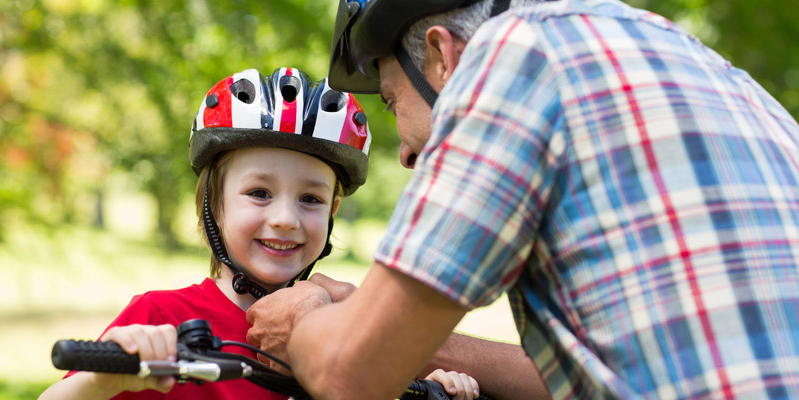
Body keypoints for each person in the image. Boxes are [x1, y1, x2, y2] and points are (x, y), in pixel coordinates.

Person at [244, 0, 799, 399]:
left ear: (444, 57)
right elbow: (585, 376)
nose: (407, 156)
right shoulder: (710, 70)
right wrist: (368, 315)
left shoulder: (514, 58)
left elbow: (350, 376)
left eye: (392, 101)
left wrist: (306, 322)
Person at [39, 67, 481, 400]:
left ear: (333, 211)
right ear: (214, 203)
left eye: (310, 199)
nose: (287, 218)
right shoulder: (160, 317)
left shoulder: (345, 329)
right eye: (259, 192)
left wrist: (430, 391)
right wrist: (102, 380)